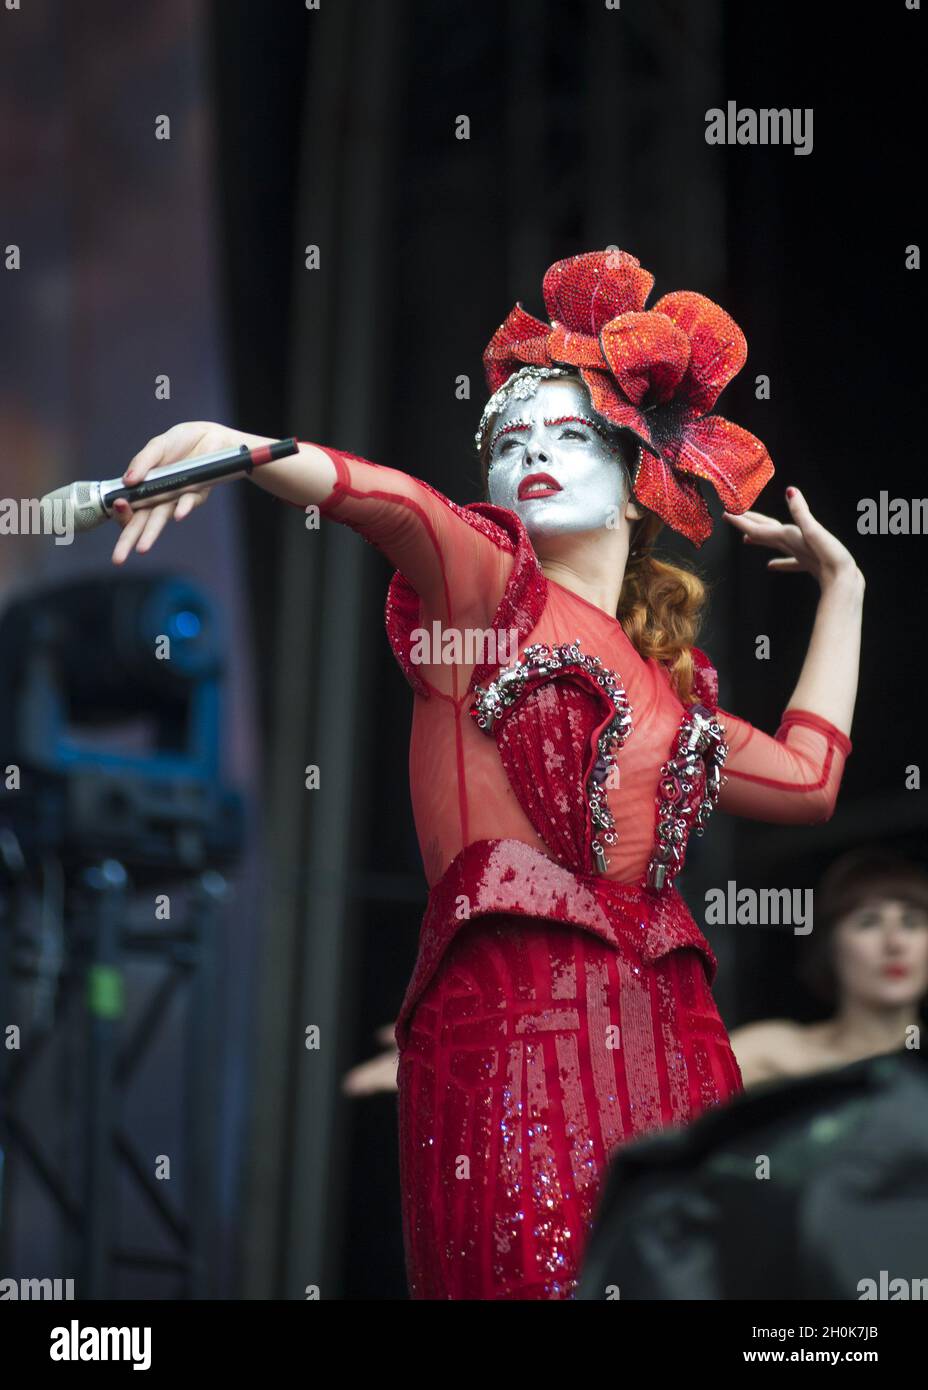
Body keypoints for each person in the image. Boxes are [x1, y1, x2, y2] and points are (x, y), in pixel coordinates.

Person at [109, 249, 864, 1299]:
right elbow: (397, 506)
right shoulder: (486, 585)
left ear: (639, 473)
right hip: (516, 1029)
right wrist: (245, 450)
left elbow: (806, 781)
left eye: (566, 433)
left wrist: (846, 592)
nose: (530, 454)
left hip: (674, 1045)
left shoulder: (676, 683)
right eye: (506, 440)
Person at [730, 850, 928, 1087]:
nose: (895, 943)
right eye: (869, 922)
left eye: (911, 923)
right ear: (829, 947)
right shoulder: (770, 1055)